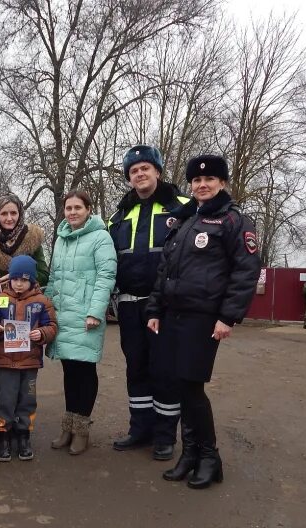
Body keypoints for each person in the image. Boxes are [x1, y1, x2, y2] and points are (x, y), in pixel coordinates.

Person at [146, 154, 260, 489]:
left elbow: (245, 272)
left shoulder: (234, 221)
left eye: (209, 180)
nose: (202, 185)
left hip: (203, 318)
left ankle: (210, 458)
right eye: (196, 181)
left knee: (192, 387)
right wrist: (154, 309)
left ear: (222, 183)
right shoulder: (185, 221)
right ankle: (191, 454)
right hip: (173, 315)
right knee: (181, 385)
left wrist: (228, 317)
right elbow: (165, 270)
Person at [107, 144, 191, 461]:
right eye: (133, 170)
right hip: (128, 304)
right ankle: (140, 429)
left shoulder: (184, 206)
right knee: (136, 368)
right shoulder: (117, 216)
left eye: (145, 168)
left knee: (164, 370)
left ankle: (165, 435)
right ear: (129, 178)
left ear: (157, 170)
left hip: (167, 308)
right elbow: (108, 261)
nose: (140, 174)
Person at [0, 192, 50, 445]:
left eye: (13, 213)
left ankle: (20, 426)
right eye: (4, 213)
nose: (9, 217)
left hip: (24, 315)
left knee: (21, 372)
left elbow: (43, 272)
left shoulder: (32, 239)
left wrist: (23, 277)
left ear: (20, 214)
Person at [46, 190, 117, 455]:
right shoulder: (61, 239)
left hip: (86, 316)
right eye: (68, 208)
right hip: (63, 316)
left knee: (84, 372)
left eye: (78, 207)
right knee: (69, 372)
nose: (72, 212)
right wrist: (48, 309)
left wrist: (95, 312)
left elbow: (106, 276)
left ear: (89, 209)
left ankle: (81, 430)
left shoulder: (101, 238)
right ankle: (68, 426)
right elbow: (54, 278)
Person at [0, 255, 57, 462]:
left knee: (27, 400)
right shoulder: (0, 299)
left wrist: (41, 334)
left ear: (32, 281)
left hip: (30, 362)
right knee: (5, 401)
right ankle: (4, 436)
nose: (19, 283)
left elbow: (52, 326)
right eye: (15, 279)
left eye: (24, 280)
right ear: (10, 279)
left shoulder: (42, 301)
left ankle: (24, 435)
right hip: (5, 362)